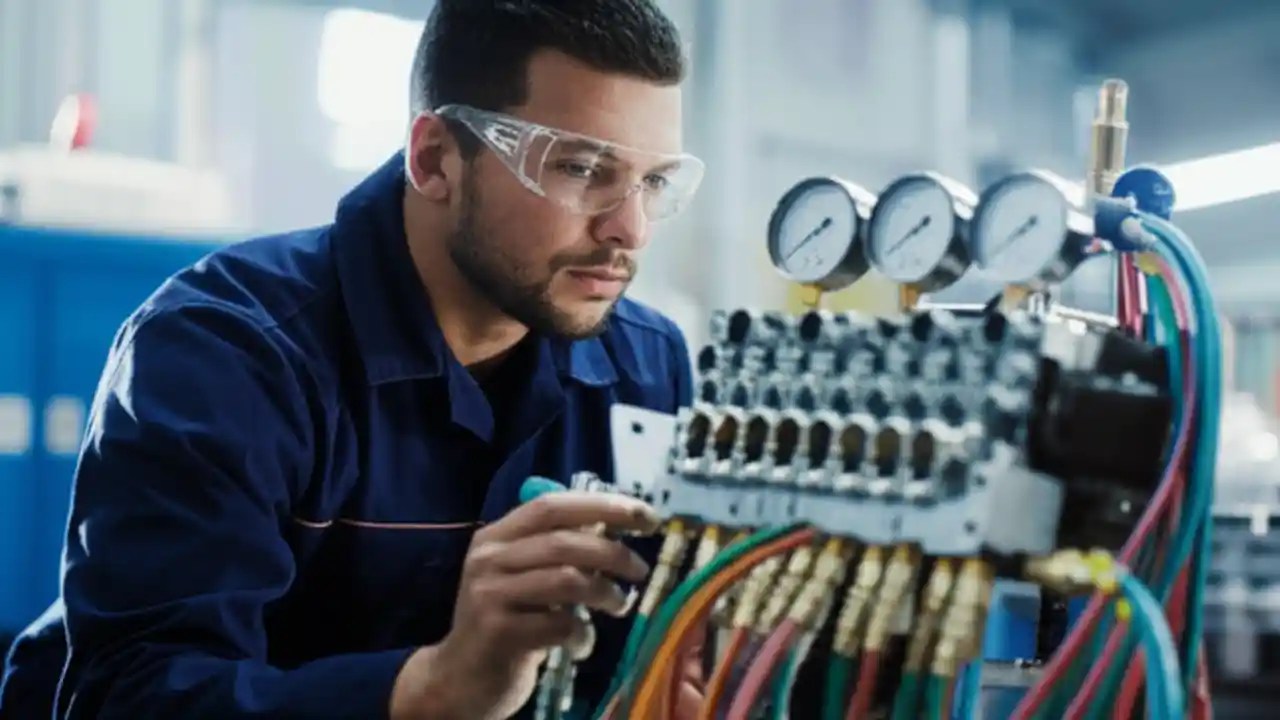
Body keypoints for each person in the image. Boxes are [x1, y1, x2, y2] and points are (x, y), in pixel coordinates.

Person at [0, 1, 707, 717]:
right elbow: (131, 698)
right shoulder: (226, 353)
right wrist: (436, 688)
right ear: (435, 160)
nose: (631, 228)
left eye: (654, 182)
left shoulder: (645, 368)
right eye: (583, 168)